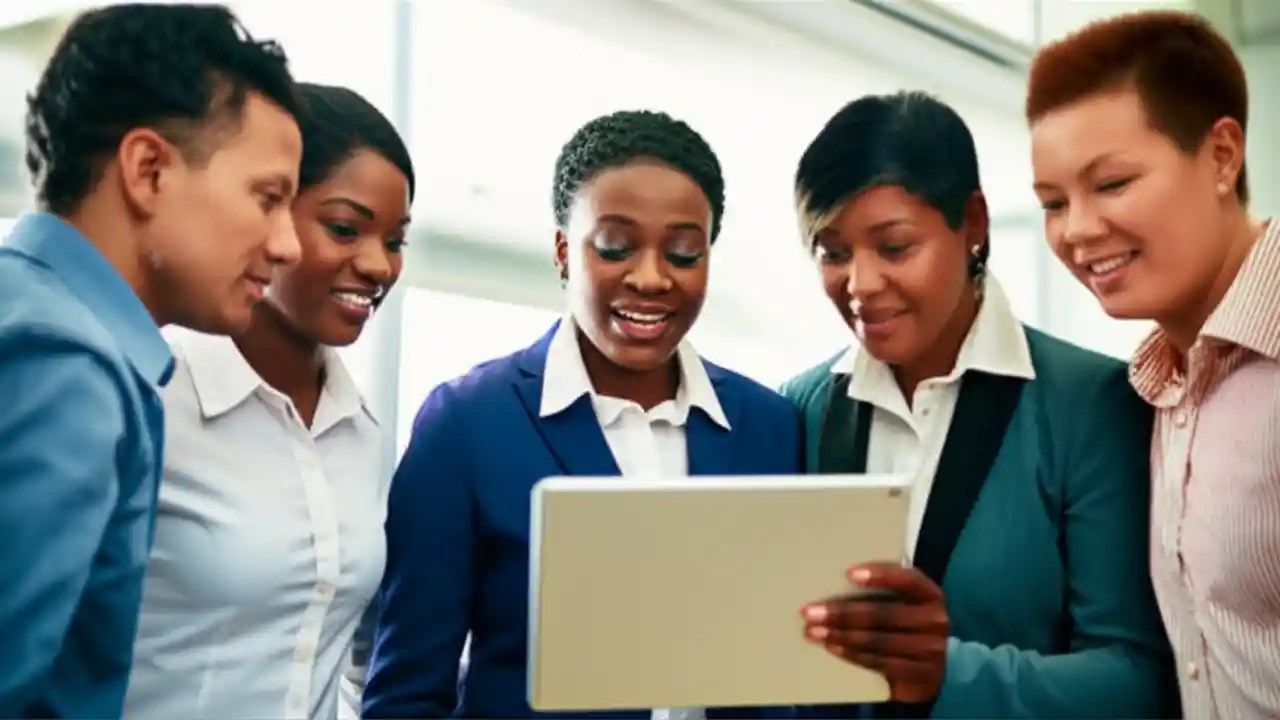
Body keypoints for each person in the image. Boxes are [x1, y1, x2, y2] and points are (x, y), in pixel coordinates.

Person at [363, 110, 800, 719]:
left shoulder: (770, 427)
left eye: (683, 253)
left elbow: (792, 669)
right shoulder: (466, 424)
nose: (651, 278)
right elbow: (407, 695)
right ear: (565, 251)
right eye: (616, 246)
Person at [780, 91, 1175, 718]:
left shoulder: (1093, 405)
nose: (859, 285)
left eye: (894, 247)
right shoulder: (797, 409)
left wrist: (948, 673)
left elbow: (1137, 680)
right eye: (832, 252)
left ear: (974, 223)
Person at [0, 4, 301, 717]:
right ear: (148, 170)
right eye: (268, 198)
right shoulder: (69, 368)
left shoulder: (29, 310)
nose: (287, 244)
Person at [122, 82, 414, 719]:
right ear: (270, 215)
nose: (379, 265)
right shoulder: (151, 399)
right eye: (345, 228)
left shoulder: (362, 435)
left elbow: (361, 662)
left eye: (396, 241)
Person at [1026, 10, 1280, 718]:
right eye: (1052, 202)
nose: (1076, 230)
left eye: (1111, 184)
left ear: (1222, 156)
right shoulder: (1159, 381)